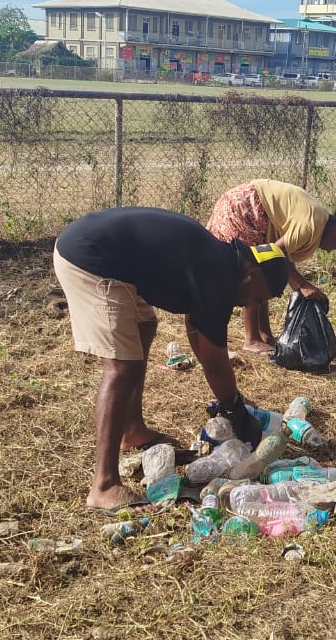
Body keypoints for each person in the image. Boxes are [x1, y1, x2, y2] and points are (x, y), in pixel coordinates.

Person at [53, 206, 288, 513]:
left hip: (102, 251)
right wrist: (233, 405)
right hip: (91, 259)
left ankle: (132, 430)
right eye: (257, 297)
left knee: (144, 325)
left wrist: (232, 402)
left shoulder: (224, 263)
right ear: (252, 274)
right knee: (121, 368)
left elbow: (198, 333)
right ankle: (104, 485)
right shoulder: (219, 276)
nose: (250, 305)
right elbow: (215, 359)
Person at [205, 179, 336, 354]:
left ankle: (265, 335)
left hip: (252, 209)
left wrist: (300, 286)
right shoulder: (312, 224)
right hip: (244, 208)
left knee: (264, 276)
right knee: (254, 270)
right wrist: (302, 284)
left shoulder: (319, 221)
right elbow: (271, 255)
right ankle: (252, 339)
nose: (331, 251)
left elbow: (280, 259)